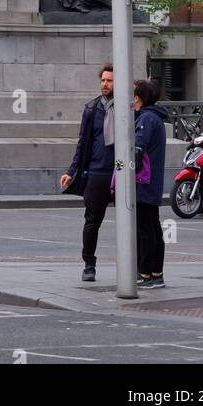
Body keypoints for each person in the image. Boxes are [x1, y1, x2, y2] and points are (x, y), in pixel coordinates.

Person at [60, 64, 114, 282]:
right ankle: (89, 264)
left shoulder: (128, 108)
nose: (105, 84)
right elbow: (82, 143)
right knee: (92, 221)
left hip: (121, 173)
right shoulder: (92, 109)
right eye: (103, 80)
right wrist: (72, 171)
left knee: (135, 220)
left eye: (109, 80)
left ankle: (140, 266)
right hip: (97, 172)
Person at [133, 79, 169, 289]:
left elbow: (138, 147)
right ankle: (156, 272)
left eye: (135, 96)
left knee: (145, 229)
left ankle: (145, 273)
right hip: (151, 181)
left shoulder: (146, 118)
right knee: (153, 227)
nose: (133, 100)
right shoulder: (155, 118)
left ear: (140, 98)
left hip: (143, 182)